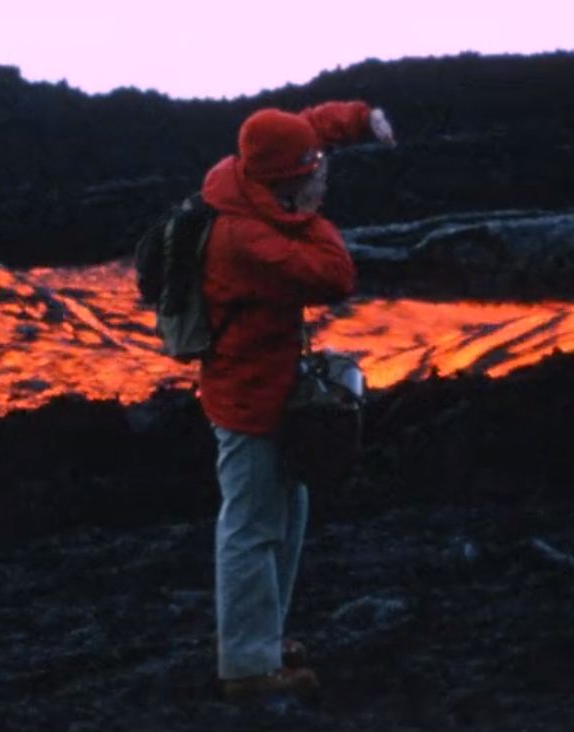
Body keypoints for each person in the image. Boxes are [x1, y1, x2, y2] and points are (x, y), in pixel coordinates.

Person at [198, 100, 396, 700]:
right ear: (285, 185)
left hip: (271, 384)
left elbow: (303, 127)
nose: (321, 176)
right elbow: (335, 274)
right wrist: (307, 215)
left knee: (289, 513)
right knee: (252, 527)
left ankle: (262, 637)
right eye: (312, 173)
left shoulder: (245, 178)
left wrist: (362, 119)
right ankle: (248, 668)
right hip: (247, 399)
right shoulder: (248, 238)